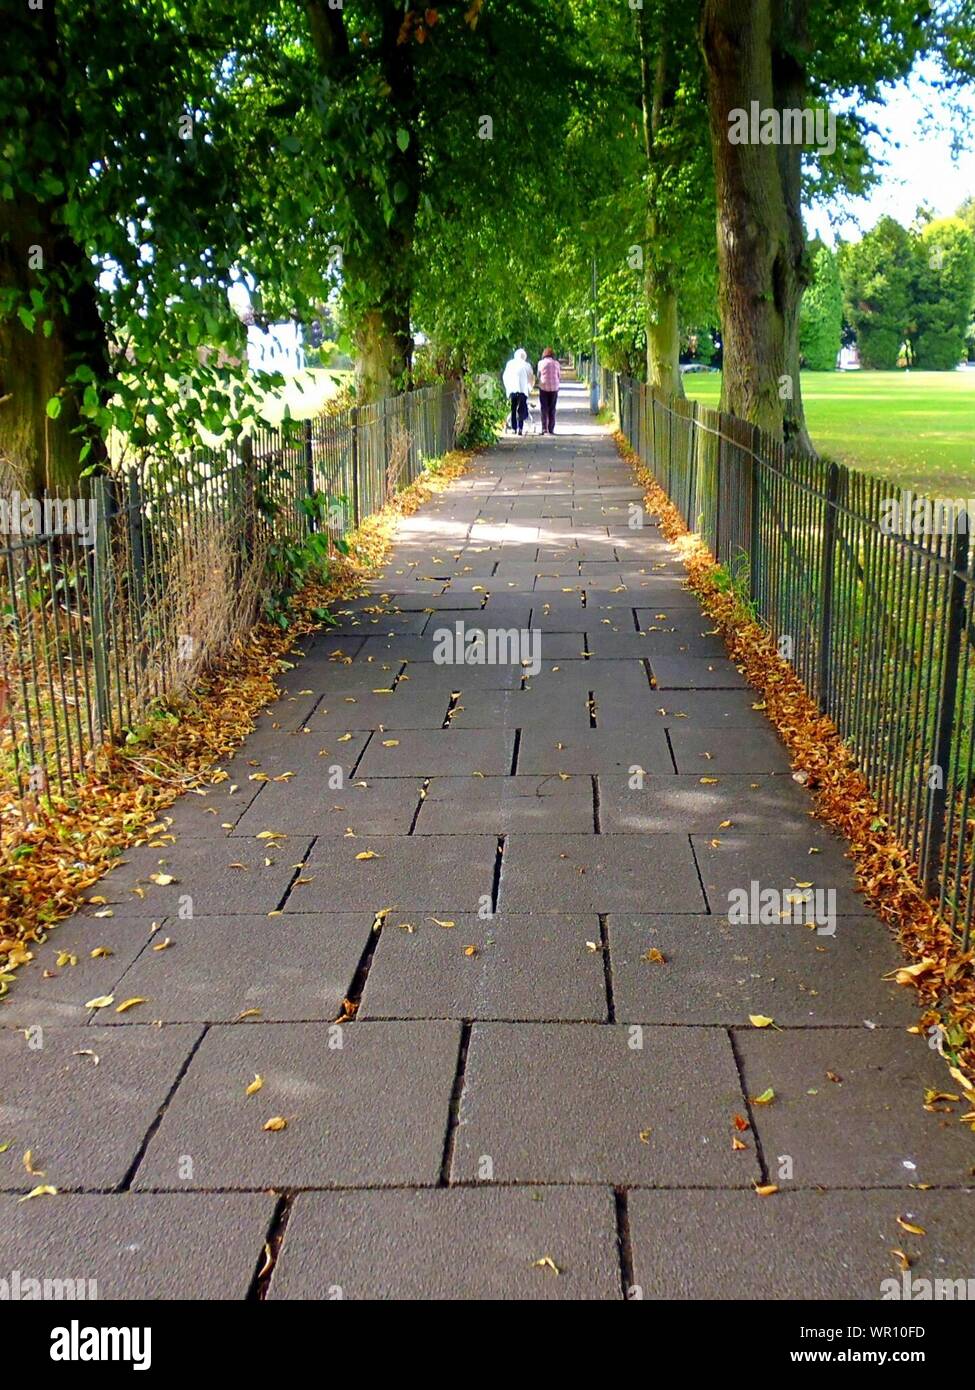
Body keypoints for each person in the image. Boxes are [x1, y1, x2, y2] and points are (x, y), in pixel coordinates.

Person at [502, 347, 534, 436]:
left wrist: (507, 388)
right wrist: (530, 387)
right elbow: (530, 377)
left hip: (512, 390)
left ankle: (513, 428)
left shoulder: (510, 364)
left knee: (513, 409)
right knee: (521, 409)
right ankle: (520, 427)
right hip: (523, 390)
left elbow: (505, 376)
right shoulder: (526, 365)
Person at [537, 347, 562, 434]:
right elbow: (559, 375)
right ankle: (551, 429)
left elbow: (538, 375)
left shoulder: (541, 363)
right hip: (554, 388)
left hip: (543, 387)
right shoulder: (556, 364)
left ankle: (544, 428)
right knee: (552, 408)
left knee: (544, 408)